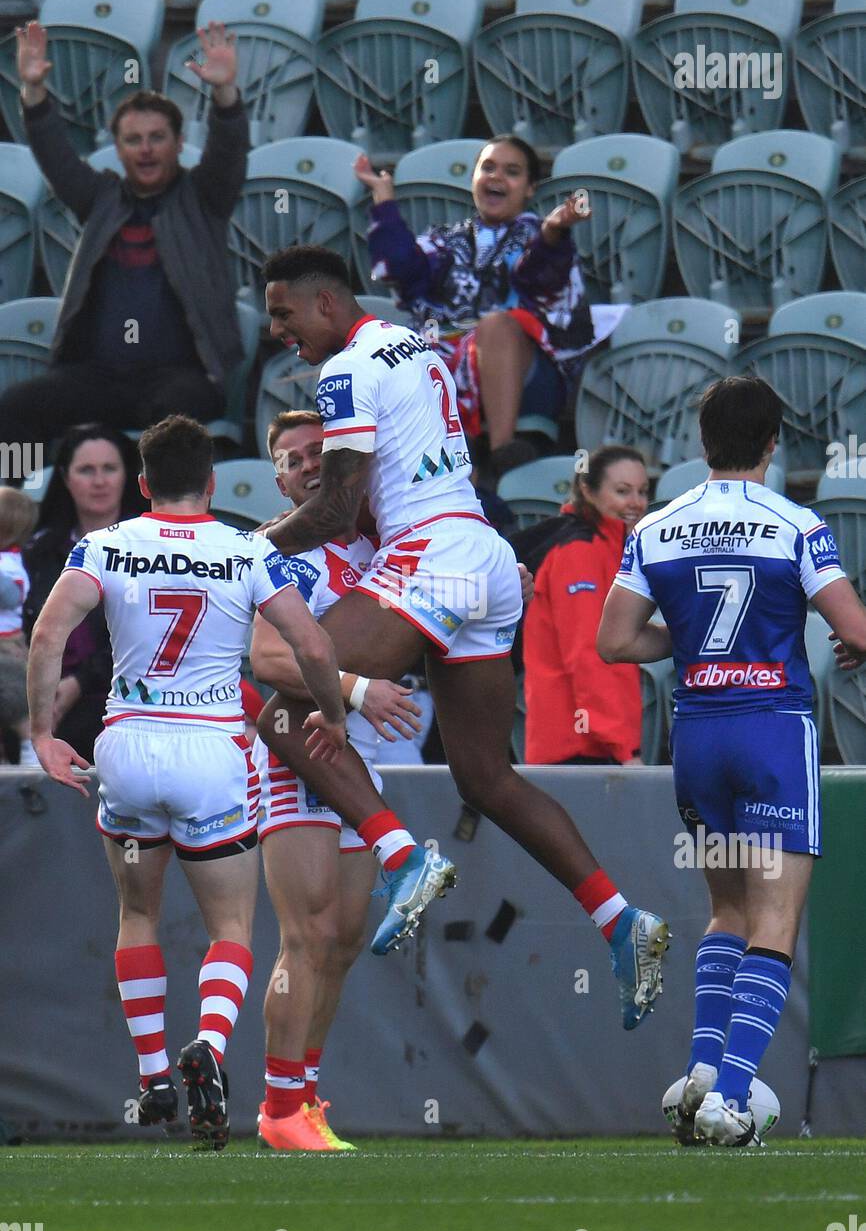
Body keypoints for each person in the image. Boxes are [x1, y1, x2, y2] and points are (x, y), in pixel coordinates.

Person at [257, 244, 670, 1031]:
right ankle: (621, 920)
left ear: (325, 303)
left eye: (284, 313)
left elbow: (341, 510)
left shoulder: (344, 370)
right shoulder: (419, 344)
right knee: (485, 774)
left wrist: (243, 551)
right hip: (480, 550)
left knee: (279, 698)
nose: (279, 330)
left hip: (433, 558)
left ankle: (403, 855)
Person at [26, 415, 349, 1150]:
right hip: (211, 754)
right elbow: (310, 643)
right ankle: (206, 1042)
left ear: (141, 484)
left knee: (138, 916)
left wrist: (42, 734)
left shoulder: (106, 545)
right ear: (211, 484)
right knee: (229, 927)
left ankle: (151, 1082)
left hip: (129, 748)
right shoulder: (243, 549)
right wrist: (332, 714)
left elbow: (47, 635)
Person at [597, 375, 866, 1144]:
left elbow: (614, 642)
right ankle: (733, 1100)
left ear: (700, 443)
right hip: (772, 730)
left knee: (727, 912)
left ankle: (700, 1078)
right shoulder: (796, 524)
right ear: (775, 444)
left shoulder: (657, 526)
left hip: (700, 736)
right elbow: (855, 628)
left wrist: (687, 647)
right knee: (775, 922)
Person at [250, 409, 424, 1150]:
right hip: (297, 752)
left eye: (321, 451)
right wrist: (356, 690)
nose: (310, 465)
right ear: (280, 479)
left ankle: (305, 1097)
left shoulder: (377, 541)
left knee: (346, 938)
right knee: (306, 934)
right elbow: (269, 661)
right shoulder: (277, 551)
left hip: (357, 756)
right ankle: (278, 1112)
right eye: (293, 459)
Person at [0, 20, 249, 482]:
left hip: (182, 378)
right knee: (14, 409)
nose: (147, 149)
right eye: (134, 140)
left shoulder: (204, 198)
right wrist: (33, 92)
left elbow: (229, 152)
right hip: (99, 377)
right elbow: (56, 158)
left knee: (169, 419)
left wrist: (226, 94)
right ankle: (13, 503)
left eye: (158, 138)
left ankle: (152, 519)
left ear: (178, 144)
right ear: (117, 149)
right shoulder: (102, 199)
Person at [354, 135, 623, 483]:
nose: (496, 177)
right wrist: (384, 198)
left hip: (528, 374)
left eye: (511, 172)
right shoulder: (445, 241)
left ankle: (501, 453)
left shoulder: (537, 236)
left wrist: (554, 232)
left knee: (495, 326)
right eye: (488, 167)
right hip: (449, 365)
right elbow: (396, 269)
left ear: (529, 189)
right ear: (474, 179)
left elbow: (541, 279)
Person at [516, 446, 649, 765]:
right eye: (622, 491)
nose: (636, 503)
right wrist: (623, 748)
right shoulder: (580, 552)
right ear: (587, 491)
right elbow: (587, 655)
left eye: (643, 492)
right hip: (578, 749)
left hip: (583, 746)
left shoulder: (602, 547)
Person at [22, 424, 143, 762]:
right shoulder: (38, 552)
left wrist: (79, 681)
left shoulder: (152, 550)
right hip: (43, 687)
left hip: (127, 693)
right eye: (86, 470)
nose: (99, 481)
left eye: (109, 468)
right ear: (65, 477)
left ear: (126, 475)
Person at [0, 486, 39, 764]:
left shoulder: (10, 563)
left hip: (6, 646)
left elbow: (12, 595)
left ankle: (31, 757)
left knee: (19, 709)